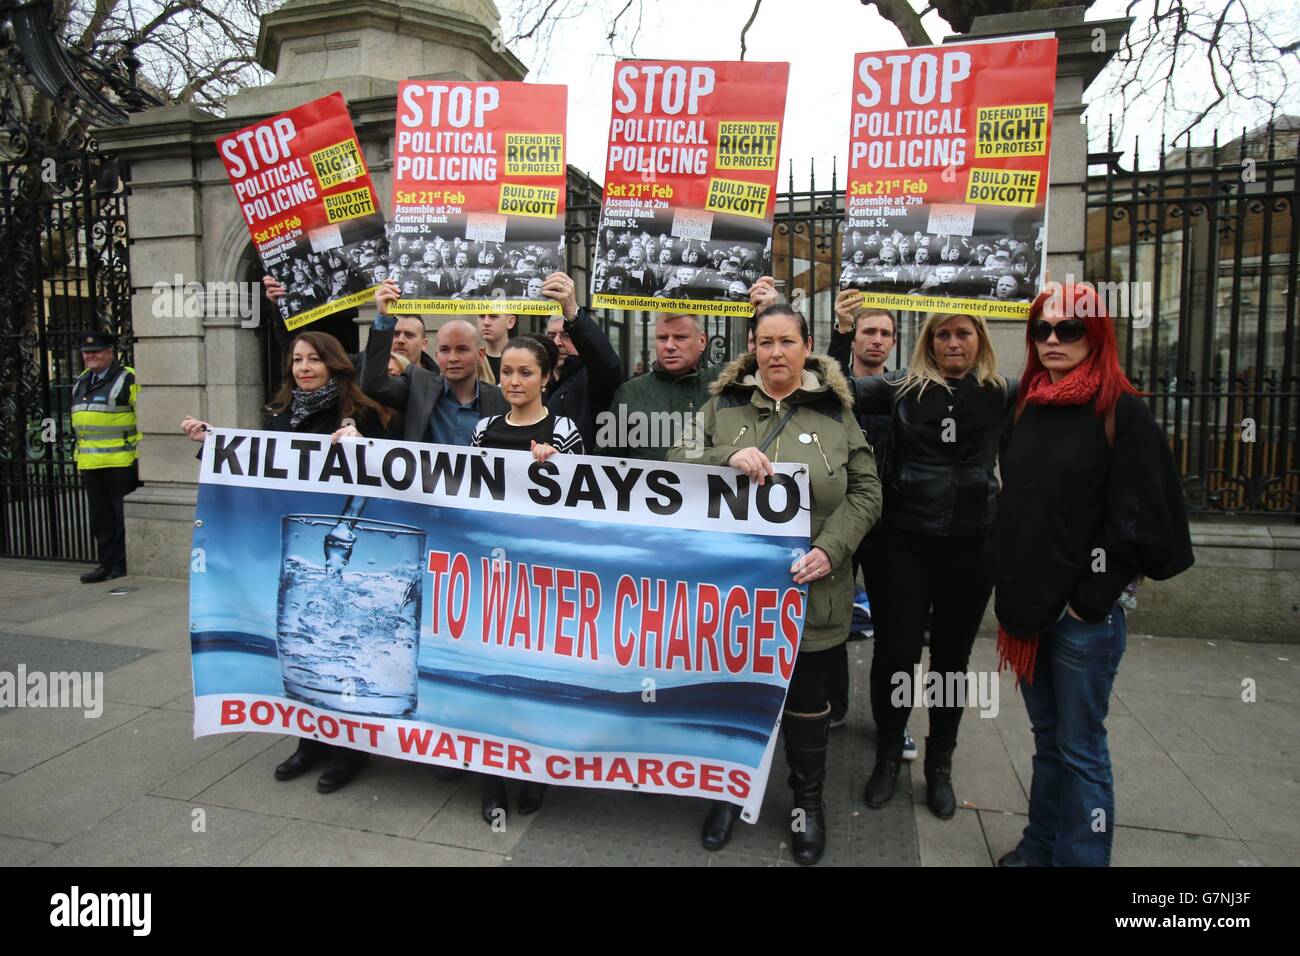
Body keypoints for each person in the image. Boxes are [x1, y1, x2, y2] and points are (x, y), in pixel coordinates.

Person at [668, 303, 881, 865]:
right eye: (765, 342)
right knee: (733, 693)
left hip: (813, 587)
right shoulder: (725, 404)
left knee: (808, 700)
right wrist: (724, 455)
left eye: (787, 341)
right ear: (753, 348)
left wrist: (829, 549)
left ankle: (806, 804)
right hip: (734, 591)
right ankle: (727, 793)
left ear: (806, 346)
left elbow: (867, 492)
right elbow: (675, 463)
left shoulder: (836, 412)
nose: (776, 353)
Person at [993, 284, 1193, 867]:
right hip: (1029, 607)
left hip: (1083, 618)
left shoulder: (1121, 411)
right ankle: (1040, 850)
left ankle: (1079, 860)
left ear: (1096, 335)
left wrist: (1090, 600)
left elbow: (1137, 518)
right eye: (1042, 330)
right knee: (1048, 742)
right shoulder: (1026, 404)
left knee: (1081, 748)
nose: (1053, 340)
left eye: (1069, 329)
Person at [181, 330, 390, 793]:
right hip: (295, 547)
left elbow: (389, 476)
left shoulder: (362, 414)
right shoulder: (279, 415)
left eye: (314, 359)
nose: (304, 367)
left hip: (341, 546)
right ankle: (309, 740)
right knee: (302, 644)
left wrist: (362, 443)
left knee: (341, 646)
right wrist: (212, 443)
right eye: (297, 360)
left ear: (334, 364)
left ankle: (349, 750)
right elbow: (258, 467)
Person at [851, 311, 1017, 820]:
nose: (951, 343)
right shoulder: (901, 387)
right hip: (904, 543)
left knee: (951, 661)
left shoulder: (1001, 392)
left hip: (971, 547)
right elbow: (835, 388)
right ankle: (886, 757)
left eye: (961, 333)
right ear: (928, 341)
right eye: (941, 334)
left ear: (979, 340)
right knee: (895, 656)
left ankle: (940, 766)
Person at [471, 334, 583, 823]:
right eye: (508, 372)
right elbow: (466, 493)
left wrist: (556, 468)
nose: (514, 382)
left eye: (526, 373)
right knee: (490, 677)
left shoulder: (563, 431)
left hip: (541, 576)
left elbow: (583, 497)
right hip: (491, 573)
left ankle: (535, 771)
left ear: (545, 377)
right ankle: (491, 779)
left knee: (535, 676)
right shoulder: (483, 429)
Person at [71, 331, 140, 583]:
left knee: (120, 518)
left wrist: (138, 457)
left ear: (111, 352)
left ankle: (121, 565)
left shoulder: (127, 378)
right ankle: (105, 564)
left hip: (121, 462)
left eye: (96, 351)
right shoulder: (82, 380)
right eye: (86, 352)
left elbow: (144, 419)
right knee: (100, 519)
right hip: (90, 461)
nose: (90, 356)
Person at [602, 313, 718, 460]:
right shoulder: (629, 392)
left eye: (680, 337)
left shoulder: (722, 387)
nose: (669, 346)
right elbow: (606, 460)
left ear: (702, 341)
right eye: (662, 338)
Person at [542, 271, 624, 450]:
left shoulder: (591, 377)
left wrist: (572, 312)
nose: (557, 342)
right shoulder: (537, 381)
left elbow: (607, 364)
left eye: (566, 335)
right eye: (551, 335)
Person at [478, 309, 517, 381]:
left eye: (494, 316)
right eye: (482, 316)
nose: (486, 322)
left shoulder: (522, 358)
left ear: (510, 322)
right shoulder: (473, 360)